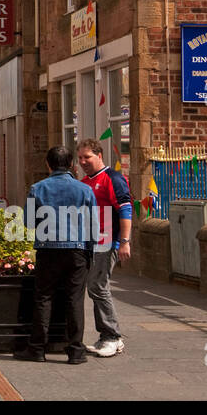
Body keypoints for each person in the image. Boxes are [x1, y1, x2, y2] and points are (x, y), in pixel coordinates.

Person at [14, 146, 96, 365]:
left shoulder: (38, 188)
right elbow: (93, 225)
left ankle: (37, 348)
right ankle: (76, 351)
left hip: (48, 249)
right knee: (75, 300)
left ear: (48, 164)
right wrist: (90, 250)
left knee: (43, 297)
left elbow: (28, 222)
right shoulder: (85, 190)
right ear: (71, 164)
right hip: (77, 250)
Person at [76, 139, 133, 358]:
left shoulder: (113, 178)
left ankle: (112, 337)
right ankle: (105, 337)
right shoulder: (85, 182)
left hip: (108, 241)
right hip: (91, 242)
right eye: (80, 158)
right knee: (95, 288)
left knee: (98, 287)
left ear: (99, 155)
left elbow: (125, 210)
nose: (83, 162)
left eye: (87, 157)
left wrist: (125, 241)